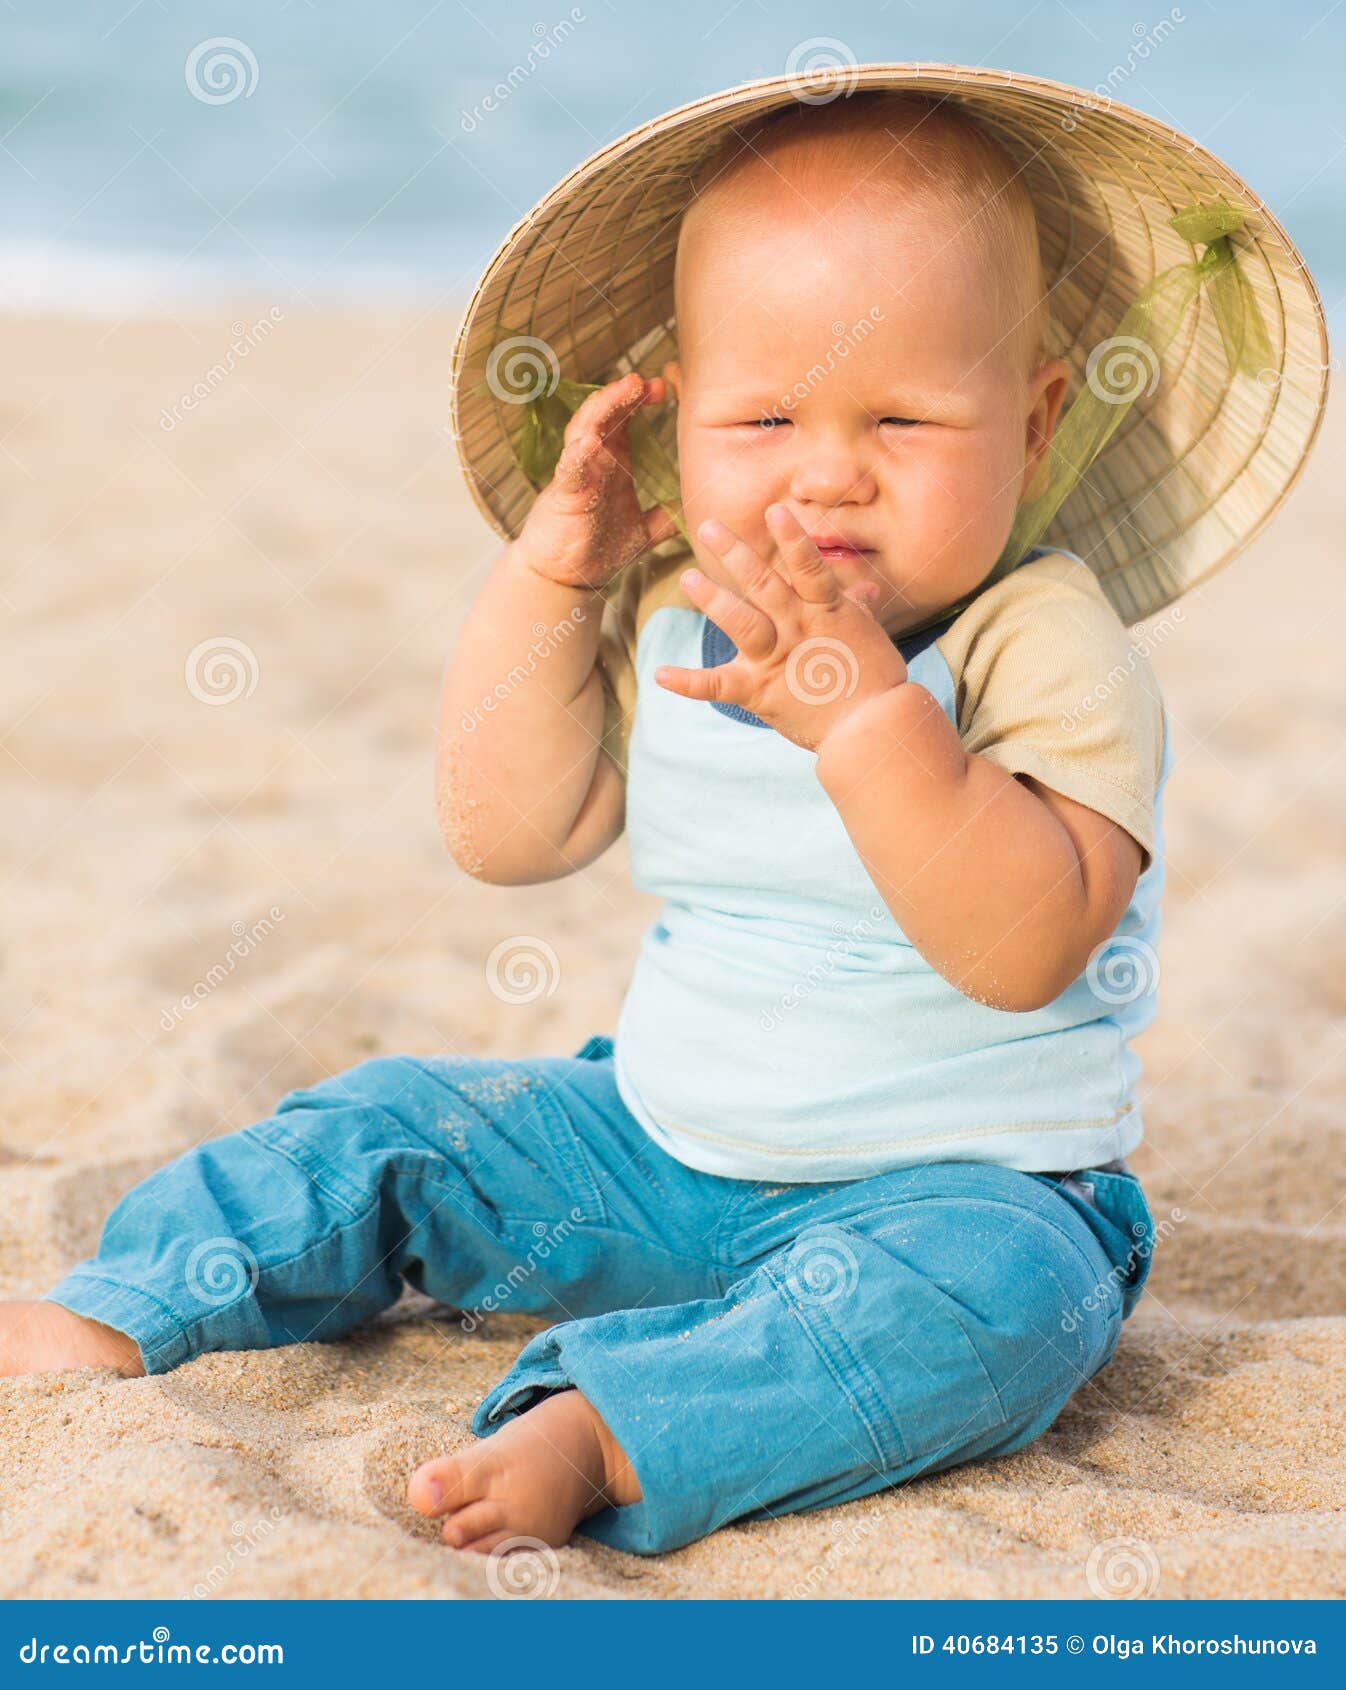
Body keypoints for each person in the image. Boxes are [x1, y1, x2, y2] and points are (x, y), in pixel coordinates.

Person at [2, 73, 1324, 1560]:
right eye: (763, 415)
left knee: (1011, 1313)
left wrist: (868, 716)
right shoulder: (677, 613)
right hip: (655, 1146)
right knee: (390, 1121)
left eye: (900, 414)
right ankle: (126, 1308)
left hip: (962, 1185)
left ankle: (617, 1416)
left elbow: (1020, 947)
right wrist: (550, 586)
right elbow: (508, 830)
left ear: (1031, 419)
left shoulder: (1042, 641)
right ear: (678, 421)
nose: (828, 467)